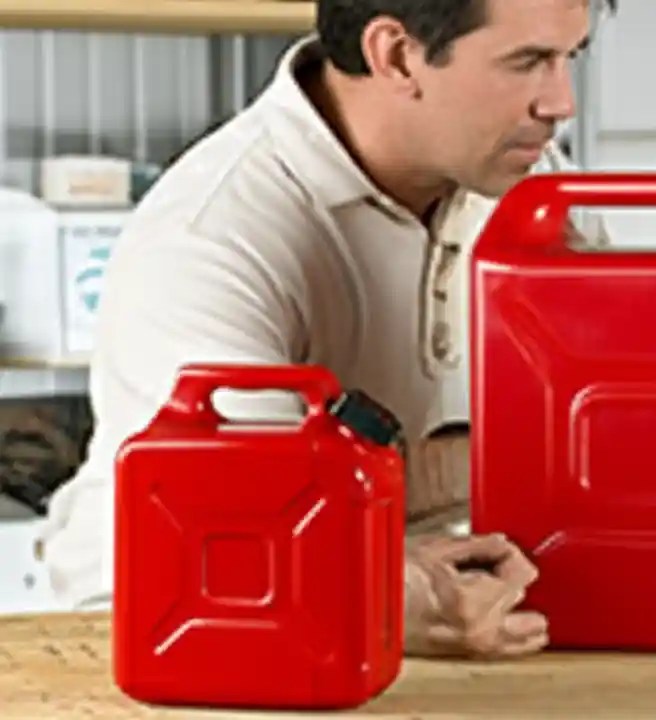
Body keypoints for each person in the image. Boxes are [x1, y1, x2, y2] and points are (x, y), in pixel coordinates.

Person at [36, 0, 613, 660]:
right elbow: (242, 548)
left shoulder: (532, 182)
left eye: (572, 58)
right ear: (396, 56)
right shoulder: (212, 236)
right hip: (174, 634)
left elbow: (601, 432)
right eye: (529, 62)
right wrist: (380, 594)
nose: (562, 103)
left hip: (442, 601)